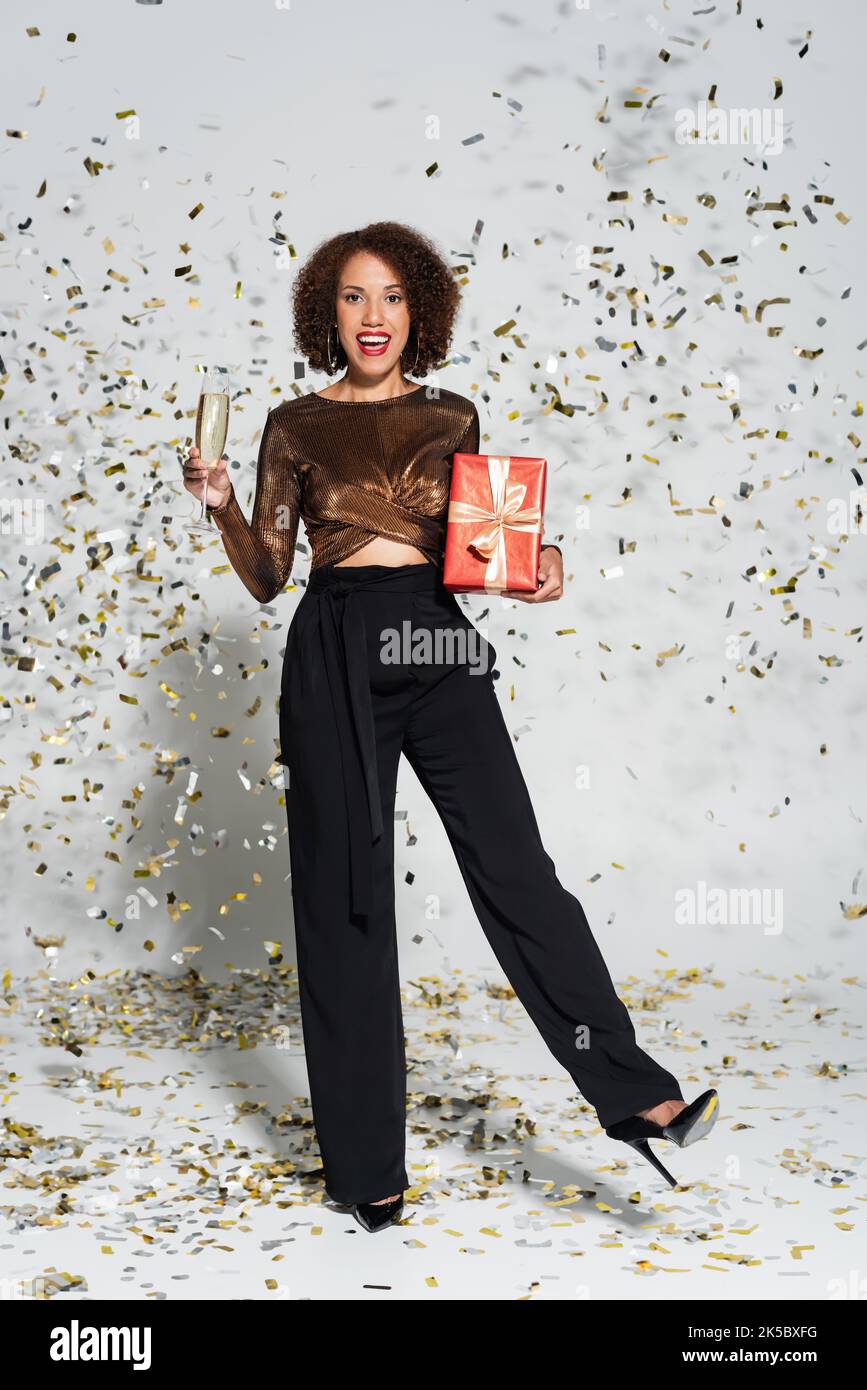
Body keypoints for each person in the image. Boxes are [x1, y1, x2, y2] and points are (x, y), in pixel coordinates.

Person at [182, 221, 719, 1234]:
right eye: (352, 297)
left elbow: (480, 550)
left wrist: (540, 566)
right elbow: (266, 575)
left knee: (518, 871)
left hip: (435, 644)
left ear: (418, 310)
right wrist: (218, 504)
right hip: (332, 649)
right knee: (347, 900)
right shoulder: (293, 425)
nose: (372, 316)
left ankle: (637, 1094)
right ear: (324, 312)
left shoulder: (453, 416)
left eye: (390, 297)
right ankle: (366, 1168)